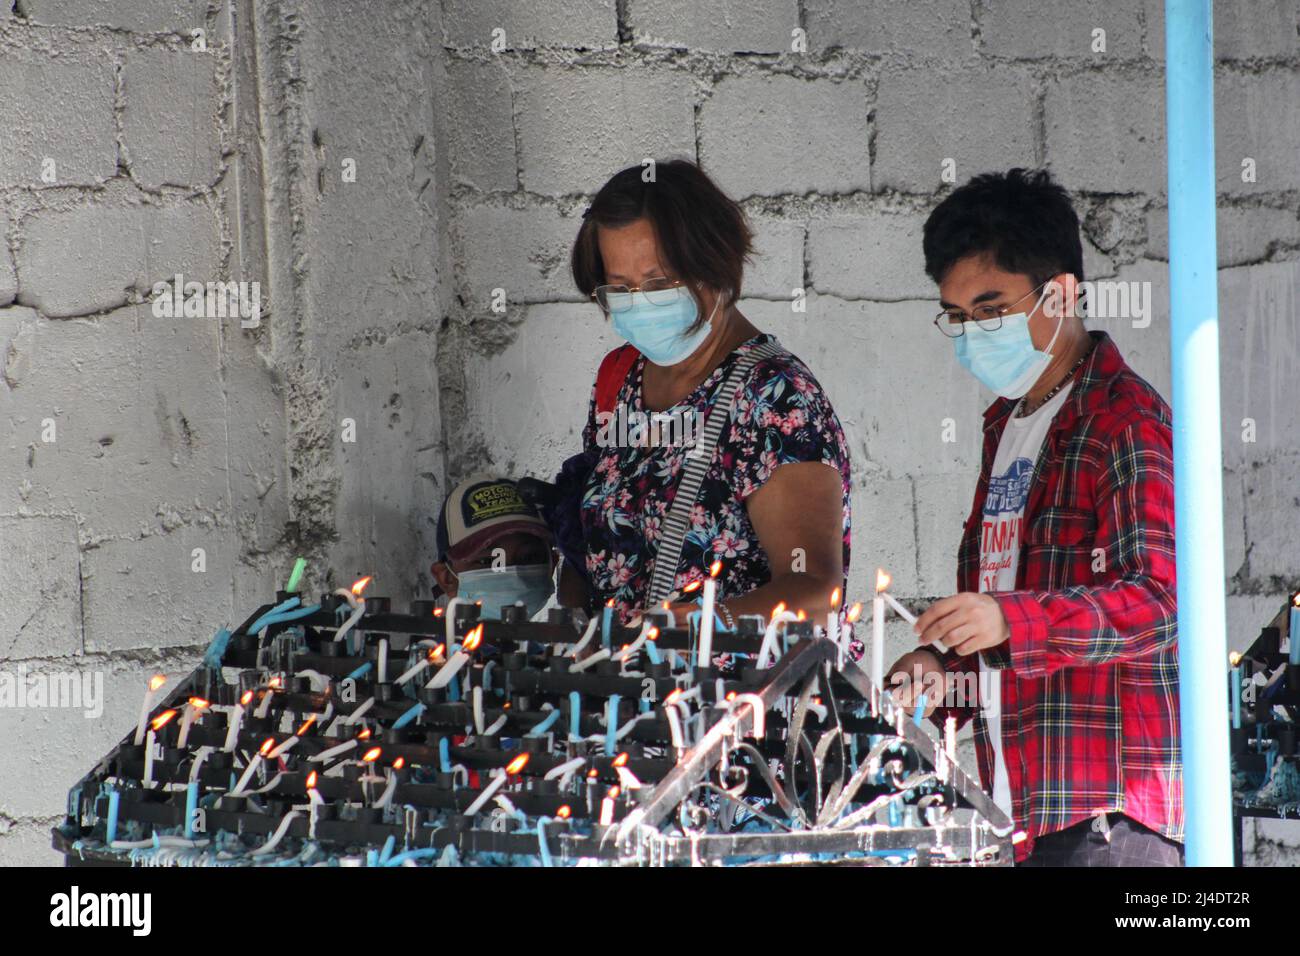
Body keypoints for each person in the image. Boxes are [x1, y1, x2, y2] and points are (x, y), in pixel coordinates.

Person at [888, 169, 1182, 866]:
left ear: (1062, 292)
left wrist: (1007, 620)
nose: (971, 334)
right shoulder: (1008, 426)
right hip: (1016, 811)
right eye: (955, 316)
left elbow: (1162, 603)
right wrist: (941, 670)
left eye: (989, 309)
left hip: (1109, 817)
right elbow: (1007, 636)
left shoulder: (1124, 421)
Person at [561, 159, 852, 635]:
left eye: (658, 282)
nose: (639, 300)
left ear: (714, 265)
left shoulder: (775, 398)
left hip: (743, 699)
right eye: (619, 287)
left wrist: (702, 623)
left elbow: (816, 591)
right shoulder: (620, 376)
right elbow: (591, 542)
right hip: (626, 696)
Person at [431, 473, 557, 621]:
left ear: (553, 564)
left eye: (530, 557)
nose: (513, 577)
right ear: (447, 579)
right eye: (488, 561)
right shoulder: (431, 645)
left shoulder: (568, 642)